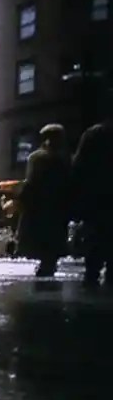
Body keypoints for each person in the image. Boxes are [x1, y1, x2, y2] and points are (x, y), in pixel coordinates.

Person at [17, 124, 72, 277]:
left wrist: (22, 199)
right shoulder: (64, 158)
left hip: (39, 205)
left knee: (40, 237)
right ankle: (49, 264)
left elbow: (31, 182)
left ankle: (46, 265)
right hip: (57, 205)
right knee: (53, 238)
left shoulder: (36, 157)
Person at [71, 120, 112, 287]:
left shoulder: (93, 134)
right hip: (101, 197)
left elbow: (78, 167)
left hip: (96, 198)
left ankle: (91, 277)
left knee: (95, 240)